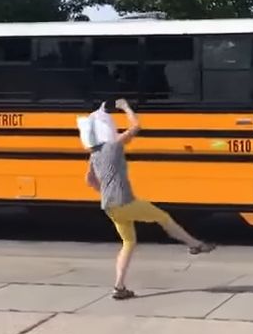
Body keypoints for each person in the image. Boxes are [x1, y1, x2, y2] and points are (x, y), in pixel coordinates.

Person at [84, 98, 215, 300]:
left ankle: (119, 287)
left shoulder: (94, 154)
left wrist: (106, 190)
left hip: (109, 206)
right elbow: (136, 126)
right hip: (124, 202)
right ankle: (194, 244)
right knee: (163, 217)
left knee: (128, 242)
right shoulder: (113, 146)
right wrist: (125, 107)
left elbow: (90, 181)